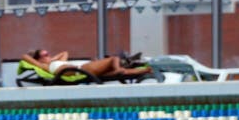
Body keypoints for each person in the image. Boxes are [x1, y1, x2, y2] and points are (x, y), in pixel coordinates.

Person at [22, 49, 151, 79]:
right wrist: (47, 61)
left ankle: (146, 70)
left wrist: (52, 59)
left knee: (120, 69)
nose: (48, 55)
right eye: (45, 55)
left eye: (48, 53)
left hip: (81, 69)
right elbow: (25, 57)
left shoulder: (55, 62)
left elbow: (65, 52)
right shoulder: (43, 66)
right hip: (81, 69)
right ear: (38, 59)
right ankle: (123, 65)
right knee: (114, 59)